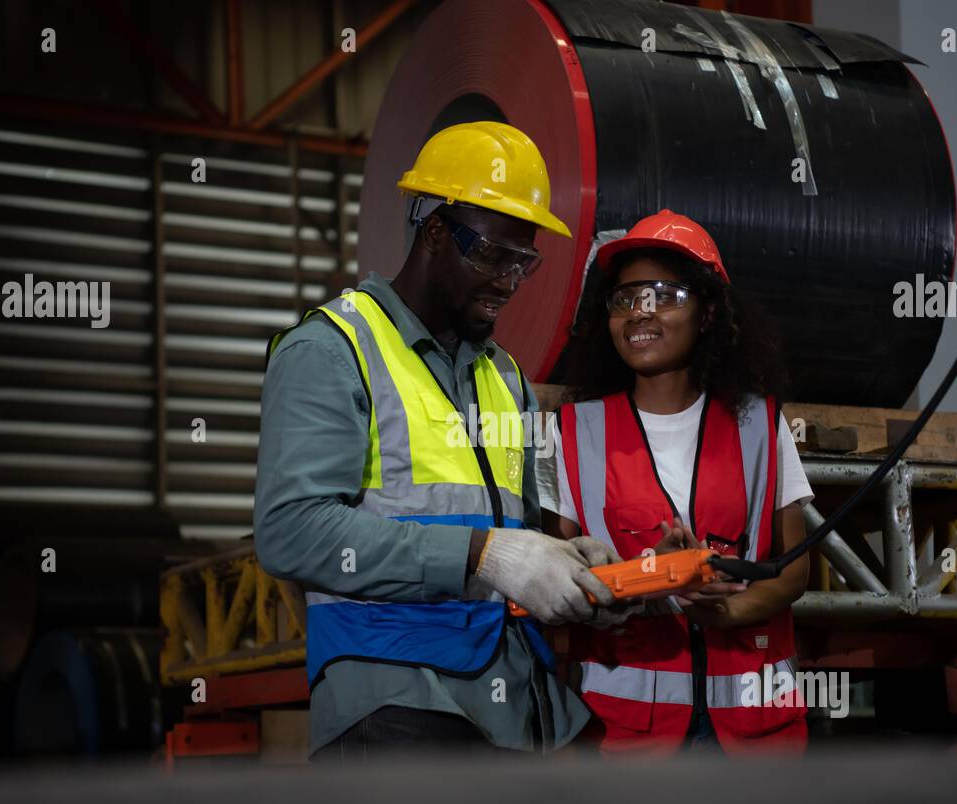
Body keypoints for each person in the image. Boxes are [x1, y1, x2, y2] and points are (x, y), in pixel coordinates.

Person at [253, 121, 632, 763]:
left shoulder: (503, 374)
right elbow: (290, 530)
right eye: (491, 255)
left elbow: (514, 530)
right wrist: (485, 555)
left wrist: (572, 568)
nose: (509, 282)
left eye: (524, 261)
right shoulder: (332, 349)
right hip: (395, 691)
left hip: (515, 696)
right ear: (432, 231)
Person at [540, 209, 813, 755]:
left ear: (708, 312)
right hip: (623, 735)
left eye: (664, 294)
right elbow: (559, 580)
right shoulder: (572, 434)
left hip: (754, 737)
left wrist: (727, 611)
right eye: (626, 298)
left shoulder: (759, 424)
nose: (641, 313)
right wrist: (651, 574)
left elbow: (796, 567)